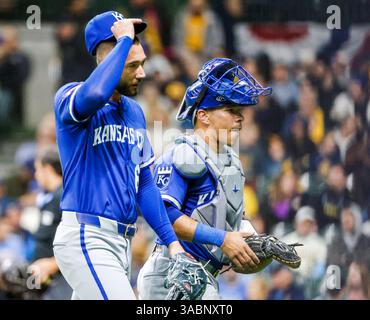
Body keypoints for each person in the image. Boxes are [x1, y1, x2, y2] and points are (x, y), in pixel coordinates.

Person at [53, 11, 186, 300]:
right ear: (105, 60)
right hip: (87, 237)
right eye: (133, 65)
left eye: (143, 64)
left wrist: (173, 243)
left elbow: (146, 186)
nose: (143, 73)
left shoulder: (135, 112)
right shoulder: (69, 96)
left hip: (121, 244)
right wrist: (124, 40)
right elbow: (96, 92)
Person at [137, 57, 272, 299]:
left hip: (206, 277)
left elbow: (229, 218)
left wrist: (252, 243)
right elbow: (163, 214)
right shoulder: (183, 153)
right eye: (231, 110)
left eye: (240, 111)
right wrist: (223, 239)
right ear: (203, 115)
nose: (239, 118)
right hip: (171, 275)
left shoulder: (231, 162)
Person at [28, 146, 72, 299]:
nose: (36, 175)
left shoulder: (66, 197)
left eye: (37, 169)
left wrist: (52, 264)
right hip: (42, 277)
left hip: (60, 278)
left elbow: (75, 241)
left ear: (47, 169)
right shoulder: (51, 198)